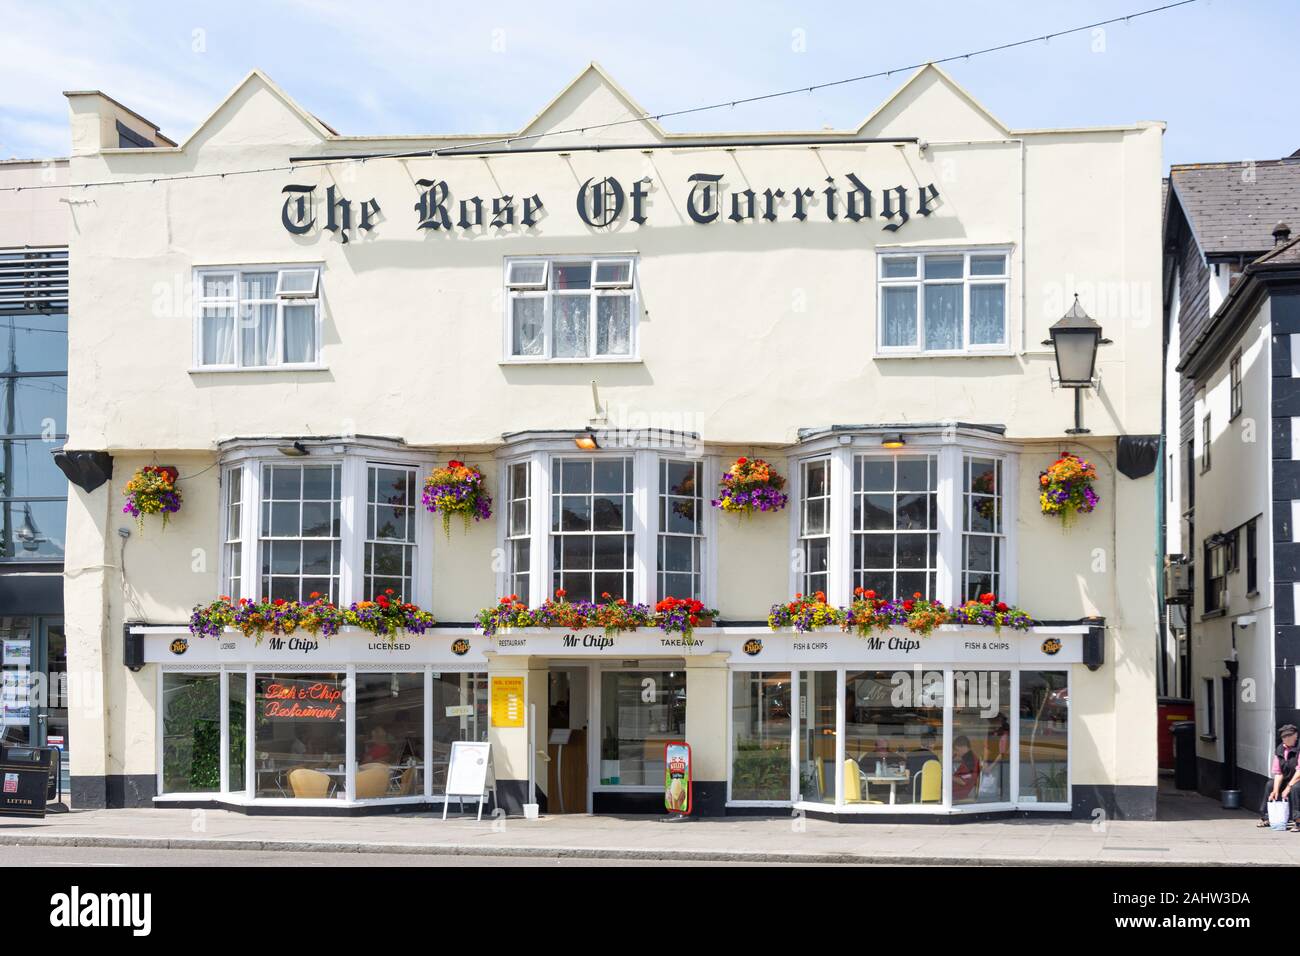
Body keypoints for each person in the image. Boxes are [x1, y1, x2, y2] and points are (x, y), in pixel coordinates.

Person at [1258, 724, 1300, 829]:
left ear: (1296, 735)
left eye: (1289, 735)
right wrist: (1276, 790)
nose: (1286, 738)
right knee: (1270, 785)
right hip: (1288, 778)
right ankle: (1266, 817)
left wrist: (1288, 787)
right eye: (1284, 736)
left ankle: (1298, 820)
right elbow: (1278, 772)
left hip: (1297, 778)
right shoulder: (1280, 749)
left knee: (1296, 788)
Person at [952, 735, 981, 801]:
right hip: (958, 793)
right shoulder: (969, 758)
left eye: (957, 750)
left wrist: (946, 776)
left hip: (959, 795)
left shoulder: (970, 760)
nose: (956, 752)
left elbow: (963, 781)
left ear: (964, 747)